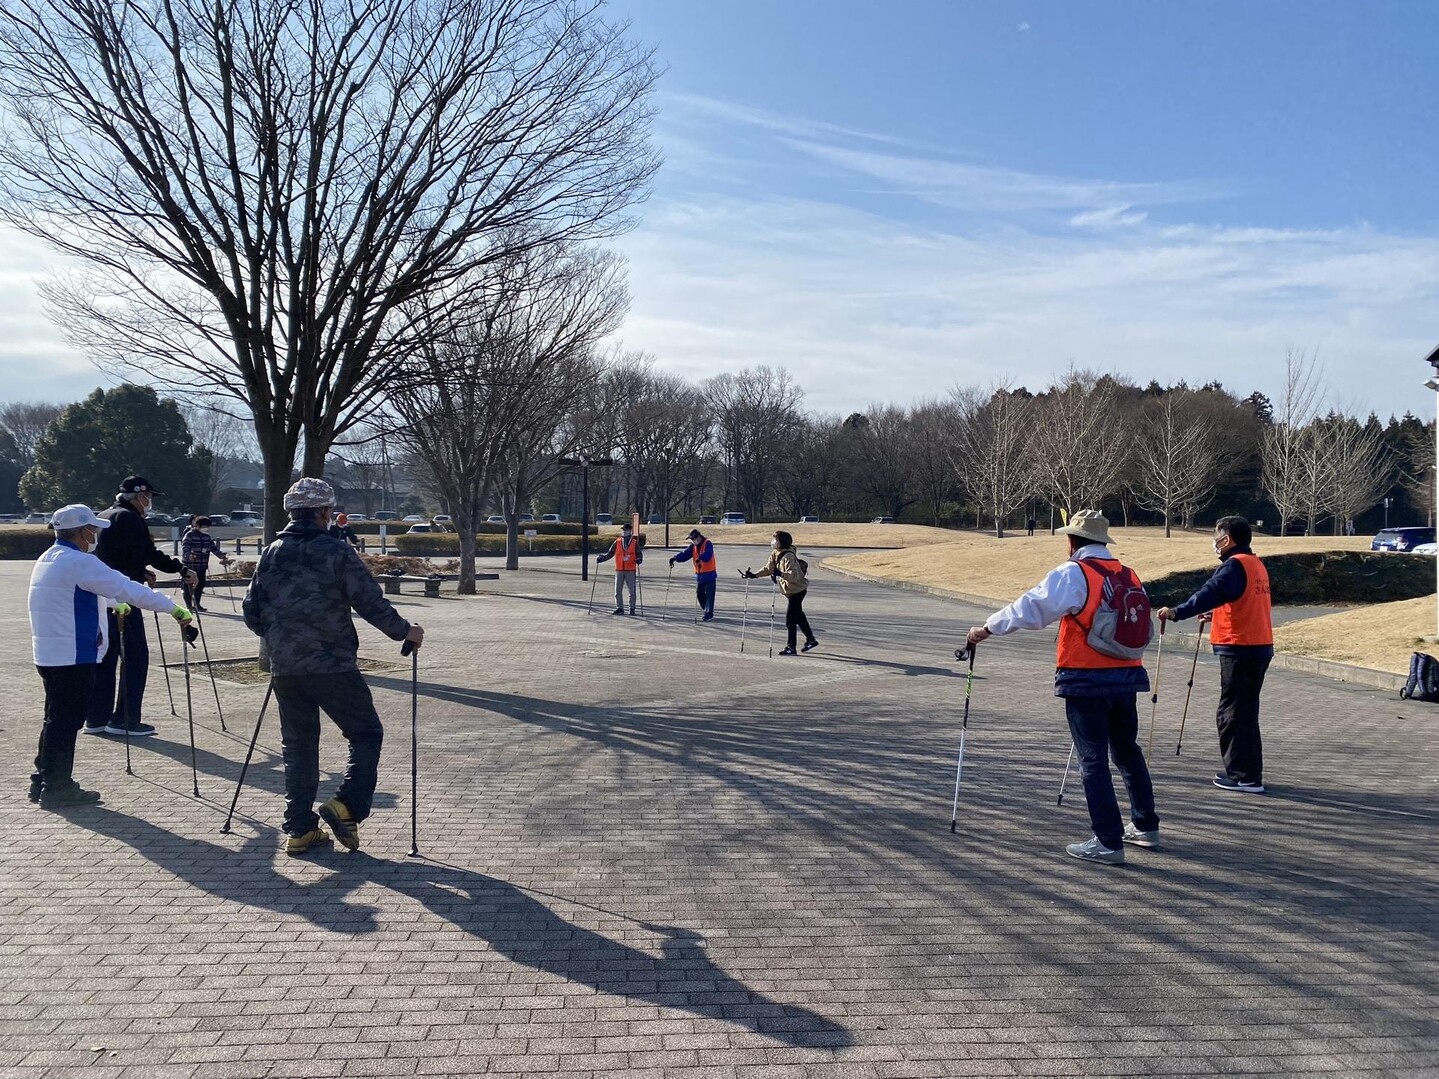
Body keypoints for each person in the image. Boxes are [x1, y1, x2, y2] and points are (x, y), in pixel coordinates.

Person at [965, 510, 1160, 865]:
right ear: (1103, 541)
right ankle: (1145, 825)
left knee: (1093, 760)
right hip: (1127, 676)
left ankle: (1107, 841)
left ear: (1072, 541)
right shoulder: (1128, 573)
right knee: (1127, 751)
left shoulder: (1074, 572)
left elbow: (1032, 608)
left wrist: (988, 628)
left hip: (1086, 678)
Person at [243, 478, 425, 856]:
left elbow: (251, 610)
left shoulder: (270, 552)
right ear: (325, 513)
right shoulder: (335, 551)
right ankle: (347, 806)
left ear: (292, 512)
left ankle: (299, 829)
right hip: (332, 665)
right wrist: (406, 632)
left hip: (287, 667)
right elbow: (370, 602)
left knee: (298, 746)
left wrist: (279, 638)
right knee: (366, 732)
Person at [28, 505, 192, 809]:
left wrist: (112, 604)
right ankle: (57, 787)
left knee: (55, 719)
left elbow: (87, 592)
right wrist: (173, 609)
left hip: (49, 653)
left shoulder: (49, 558)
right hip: (73, 654)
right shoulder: (80, 562)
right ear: (81, 532)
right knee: (66, 722)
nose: (96, 535)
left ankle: (43, 779)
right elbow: (126, 587)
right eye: (92, 529)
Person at [1156, 515, 1273, 794]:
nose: (1214, 542)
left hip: (1241, 648)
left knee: (1232, 712)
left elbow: (1209, 593)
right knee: (1244, 711)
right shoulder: (1255, 564)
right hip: (1257, 646)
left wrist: (1177, 612)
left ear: (1227, 539)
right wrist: (1216, 615)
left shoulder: (1233, 567)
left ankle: (1243, 776)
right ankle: (1248, 772)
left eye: (1216, 536)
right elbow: (1238, 602)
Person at [83, 476, 198, 738]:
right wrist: (180, 568)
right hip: (125, 595)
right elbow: (147, 551)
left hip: (101, 595)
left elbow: (117, 555)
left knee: (105, 657)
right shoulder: (130, 518)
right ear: (139, 496)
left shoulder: (105, 515)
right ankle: (125, 719)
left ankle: (96, 717)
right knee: (135, 658)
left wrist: (139, 570)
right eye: (149, 498)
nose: (150, 503)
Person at [741, 530, 817, 655]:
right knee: (798, 616)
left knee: (790, 619)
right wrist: (754, 575)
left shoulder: (788, 557)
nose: (773, 542)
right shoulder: (775, 553)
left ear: (783, 542)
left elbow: (795, 576)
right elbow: (768, 568)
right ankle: (811, 640)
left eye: (776, 539)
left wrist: (781, 574)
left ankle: (791, 647)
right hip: (790, 591)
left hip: (797, 590)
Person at [180, 516, 232, 611]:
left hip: (202, 566)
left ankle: (197, 604)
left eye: (207, 527)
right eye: (204, 526)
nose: (206, 529)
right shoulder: (189, 535)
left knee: (200, 585)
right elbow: (185, 548)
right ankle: (188, 605)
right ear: (197, 526)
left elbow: (213, 548)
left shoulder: (206, 537)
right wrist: (188, 555)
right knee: (188, 586)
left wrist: (221, 556)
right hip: (190, 565)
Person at [670, 528, 718, 621]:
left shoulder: (707, 543)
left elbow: (708, 554)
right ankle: (706, 609)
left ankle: (709, 613)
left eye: (693, 539)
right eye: (691, 539)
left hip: (709, 574)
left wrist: (701, 557)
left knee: (709, 595)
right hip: (700, 575)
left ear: (698, 537)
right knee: (699, 593)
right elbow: (685, 555)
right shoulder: (693, 547)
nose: (693, 541)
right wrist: (675, 558)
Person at [596, 522, 643, 615]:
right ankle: (619, 607)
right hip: (619, 569)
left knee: (632, 591)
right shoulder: (617, 542)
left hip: (630, 569)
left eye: (625, 530)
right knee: (617, 590)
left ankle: (632, 608)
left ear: (630, 531)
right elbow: (610, 553)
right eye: (623, 530)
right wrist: (602, 558)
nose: (623, 532)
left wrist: (639, 560)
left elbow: (639, 555)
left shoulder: (634, 543)